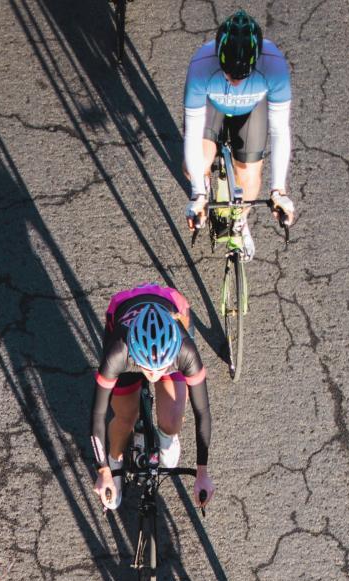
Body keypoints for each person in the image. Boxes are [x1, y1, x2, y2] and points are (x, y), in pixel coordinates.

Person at [90, 285, 213, 512]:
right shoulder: (118, 352)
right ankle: (116, 459)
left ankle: (168, 436)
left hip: (172, 308)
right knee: (125, 416)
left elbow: (202, 412)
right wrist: (104, 470)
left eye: (161, 368)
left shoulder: (185, 351)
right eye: (147, 368)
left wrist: (203, 472)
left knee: (172, 419)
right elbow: (98, 413)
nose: (154, 375)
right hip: (125, 313)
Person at [183, 10, 295, 259]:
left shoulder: (275, 66)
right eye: (228, 73)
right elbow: (192, 133)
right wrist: (198, 193)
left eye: (242, 75)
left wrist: (279, 190)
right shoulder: (201, 66)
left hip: (251, 109)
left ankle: (240, 222)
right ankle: (206, 184)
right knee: (196, 165)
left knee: (249, 174)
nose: (234, 81)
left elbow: (280, 130)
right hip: (212, 105)